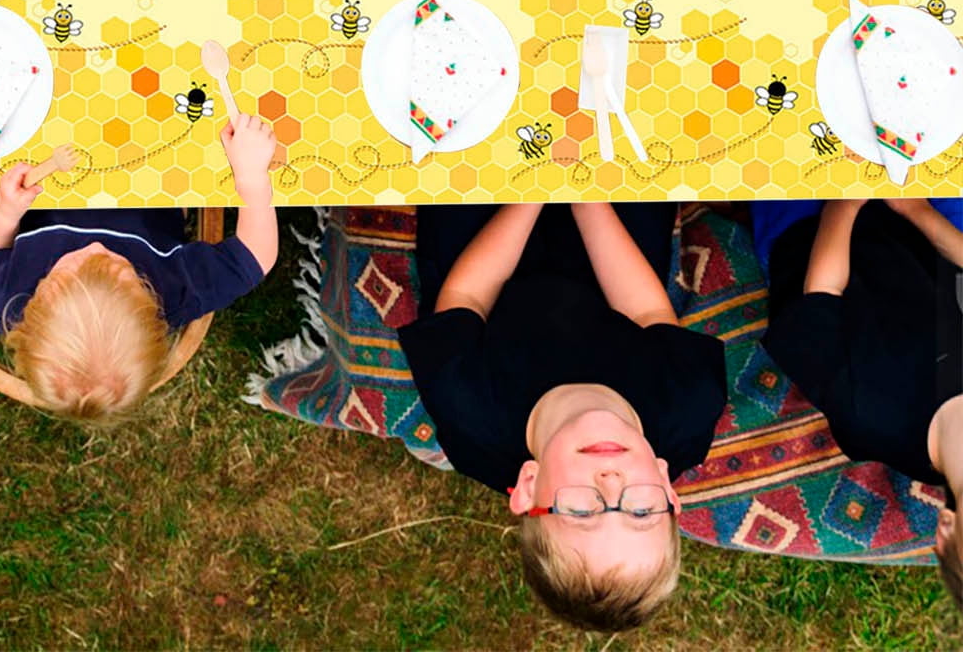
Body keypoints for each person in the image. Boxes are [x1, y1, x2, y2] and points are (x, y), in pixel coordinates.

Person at [395, 202, 725, 632]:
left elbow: (466, 296)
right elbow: (647, 313)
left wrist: (536, 192)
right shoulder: (688, 407)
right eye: (642, 512)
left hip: (491, 273)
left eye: (582, 512)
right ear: (666, 488)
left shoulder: (469, 409)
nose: (611, 484)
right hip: (608, 272)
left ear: (528, 490)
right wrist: (585, 197)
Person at [0, 108, 278, 420]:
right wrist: (252, 179)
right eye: (120, 271)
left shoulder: (6, 301)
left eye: (68, 272)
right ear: (152, 313)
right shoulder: (175, 291)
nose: (95, 249)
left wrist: (5, 214)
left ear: (33, 309)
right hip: (155, 157)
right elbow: (254, 256)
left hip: (49, 144)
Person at [755, 197, 963, 610]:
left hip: (814, 235)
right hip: (926, 227)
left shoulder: (871, 421)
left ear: (946, 529)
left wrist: (847, 202)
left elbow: (819, 297)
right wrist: (915, 211)